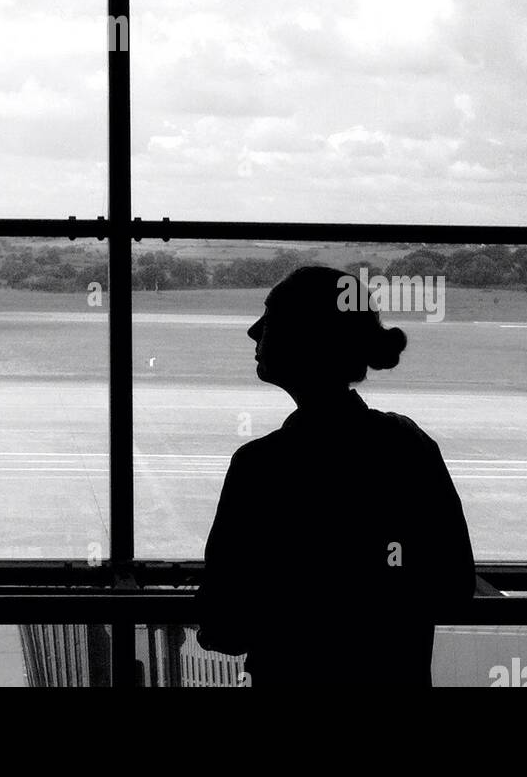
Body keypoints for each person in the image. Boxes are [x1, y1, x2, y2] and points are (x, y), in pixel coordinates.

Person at [197, 264, 474, 686]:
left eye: (270, 317)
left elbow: (224, 627)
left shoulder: (260, 466)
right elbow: (453, 589)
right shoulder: (409, 446)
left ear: (305, 338)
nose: (254, 331)